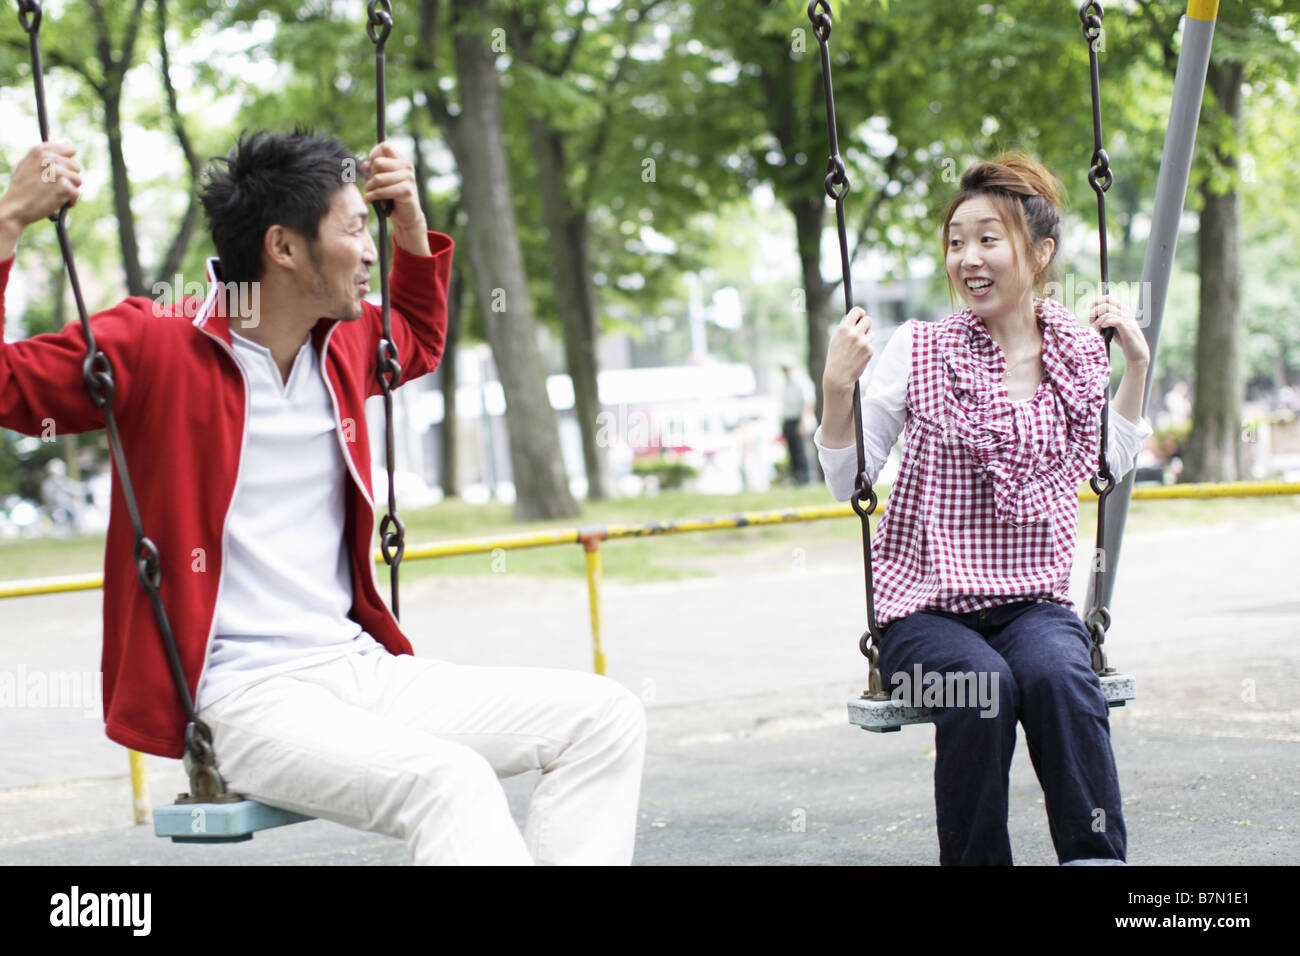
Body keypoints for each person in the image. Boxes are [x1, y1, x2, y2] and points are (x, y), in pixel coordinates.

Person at [0, 132, 645, 865]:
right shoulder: (153, 343)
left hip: (357, 667)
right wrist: (10, 219)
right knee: (449, 781)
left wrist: (408, 223)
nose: (370, 253)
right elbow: (6, 383)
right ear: (283, 247)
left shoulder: (344, 340)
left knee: (605, 717)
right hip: (243, 697)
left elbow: (419, 337)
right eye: (355, 229)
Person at [814, 154, 1152, 866]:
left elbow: (1108, 464)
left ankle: (1096, 860)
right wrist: (837, 391)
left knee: (1061, 679)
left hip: (1032, 606)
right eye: (956, 241)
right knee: (981, 689)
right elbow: (851, 481)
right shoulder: (919, 349)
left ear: (1040, 253)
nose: (967, 258)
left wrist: (1137, 370)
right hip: (923, 615)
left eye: (987, 239)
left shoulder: (1075, 354)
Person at [779, 359, 815, 485]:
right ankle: (798, 478)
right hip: (789, 420)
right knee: (793, 452)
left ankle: (808, 479)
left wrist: (802, 423)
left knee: (802, 451)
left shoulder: (801, 381)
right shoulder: (785, 384)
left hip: (800, 421)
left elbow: (808, 403)